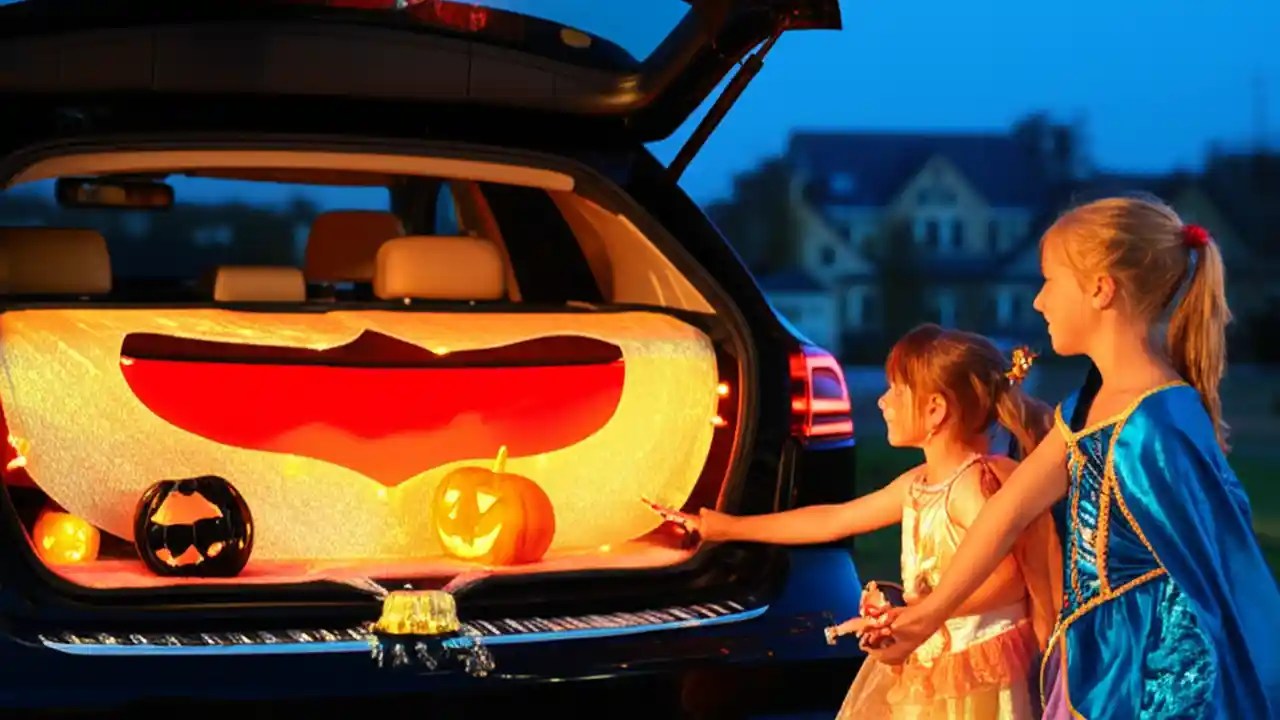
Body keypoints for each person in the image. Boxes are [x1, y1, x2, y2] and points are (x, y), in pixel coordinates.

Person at [866, 197, 1280, 719]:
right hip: (1095, 664)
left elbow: (1214, 582)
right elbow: (1007, 511)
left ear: (1100, 289)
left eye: (1049, 281)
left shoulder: (1155, 426)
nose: (1038, 301)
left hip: (1149, 686)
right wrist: (926, 615)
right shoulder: (1085, 408)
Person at [649, 323, 1063, 719]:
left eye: (896, 391)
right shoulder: (917, 484)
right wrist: (727, 528)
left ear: (935, 410)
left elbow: (1011, 577)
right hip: (929, 659)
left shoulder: (976, 482)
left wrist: (916, 608)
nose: (882, 402)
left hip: (978, 671)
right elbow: (835, 519)